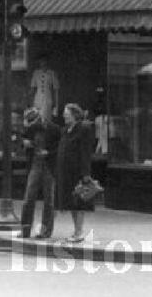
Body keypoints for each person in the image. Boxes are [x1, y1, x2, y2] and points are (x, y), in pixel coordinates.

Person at [20, 106, 61, 239]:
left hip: (49, 166)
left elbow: (60, 148)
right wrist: (25, 143)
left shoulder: (54, 129)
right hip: (35, 164)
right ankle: (25, 230)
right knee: (28, 198)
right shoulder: (31, 129)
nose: (32, 126)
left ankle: (45, 231)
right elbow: (24, 139)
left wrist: (48, 152)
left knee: (49, 200)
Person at [55, 103, 95, 243]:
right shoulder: (65, 130)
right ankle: (76, 230)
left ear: (74, 114)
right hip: (66, 173)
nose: (64, 116)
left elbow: (85, 152)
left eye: (66, 113)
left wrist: (86, 173)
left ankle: (79, 232)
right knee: (72, 203)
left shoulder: (83, 128)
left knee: (79, 202)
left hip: (77, 172)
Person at [28, 57, 60, 123]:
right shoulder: (36, 73)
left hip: (47, 98)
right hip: (38, 98)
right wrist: (28, 99)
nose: (42, 63)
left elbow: (56, 90)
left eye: (44, 61)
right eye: (41, 61)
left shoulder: (52, 73)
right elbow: (32, 89)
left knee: (46, 118)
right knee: (37, 118)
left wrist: (56, 105)